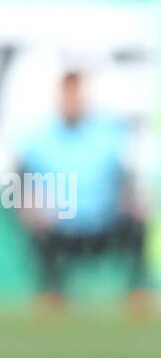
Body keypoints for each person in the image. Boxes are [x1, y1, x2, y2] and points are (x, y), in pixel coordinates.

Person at [15, 71, 154, 317]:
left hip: (105, 223)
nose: (72, 101)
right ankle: (52, 292)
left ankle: (137, 291)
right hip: (60, 228)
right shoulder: (37, 138)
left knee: (136, 221)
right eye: (67, 95)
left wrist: (133, 198)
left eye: (77, 94)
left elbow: (127, 175)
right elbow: (18, 181)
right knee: (35, 225)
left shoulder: (109, 133)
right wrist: (30, 205)